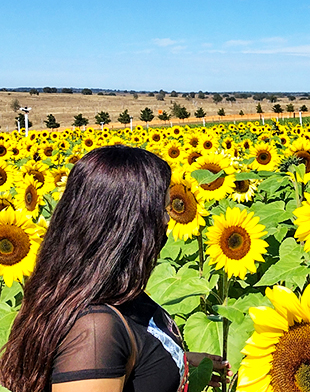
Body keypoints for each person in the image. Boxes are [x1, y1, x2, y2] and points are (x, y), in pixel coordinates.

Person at [0, 145, 228, 392]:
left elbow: (132, 350)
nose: (167, 221)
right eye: (161, 211)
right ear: (128, 225)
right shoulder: (94, 332)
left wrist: (171, 363)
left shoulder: (113, 290)